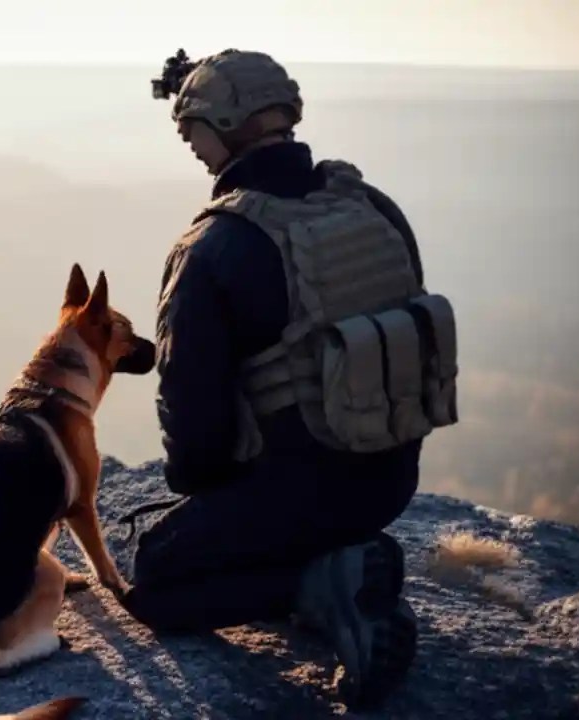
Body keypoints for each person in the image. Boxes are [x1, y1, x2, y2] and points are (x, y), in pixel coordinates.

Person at [117, 48, 459, 710]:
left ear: (222, 124)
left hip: (294, 496)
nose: (190, 145)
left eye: (191, 130)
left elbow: (194, 435)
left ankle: (319, 584)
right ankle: (350, 561)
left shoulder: (213, 247)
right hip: (391, 481)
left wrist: (213, 503)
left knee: (154, 576)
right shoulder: (374, 208)